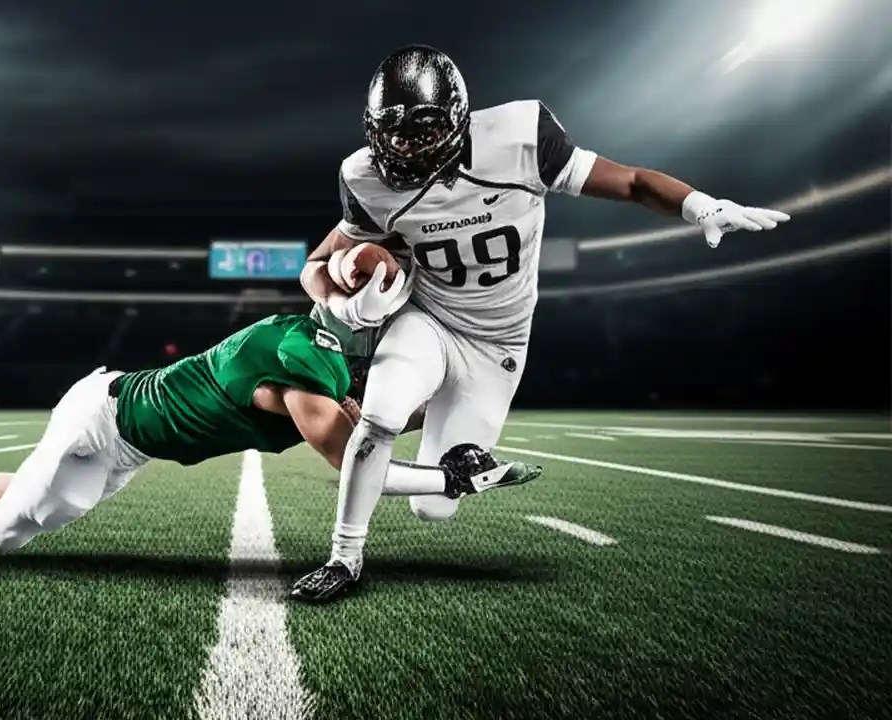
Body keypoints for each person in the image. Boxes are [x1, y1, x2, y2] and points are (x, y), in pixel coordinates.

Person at [292, 45, 791, 602]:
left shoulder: (521, 137)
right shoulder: (364, 177)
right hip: (430, 318)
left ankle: (446, 444)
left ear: (457, 120)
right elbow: (320, 266)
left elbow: (627, 181)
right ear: (373, 128)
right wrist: (347, 306)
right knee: (379, 415)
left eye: (424, 131)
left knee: (431, 507)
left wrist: (698, 205)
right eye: (395, 132)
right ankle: (345, 556)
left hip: (498, 340)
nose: (407, 147)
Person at [0, 313, 541, 554]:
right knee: (8, 529)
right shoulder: (309, 374)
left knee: (38, 508)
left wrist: (450, 409)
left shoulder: (311, 355)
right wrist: (444, 478)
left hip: (128, 435)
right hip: (104, 418)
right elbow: (353, 461)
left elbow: (364, 419)